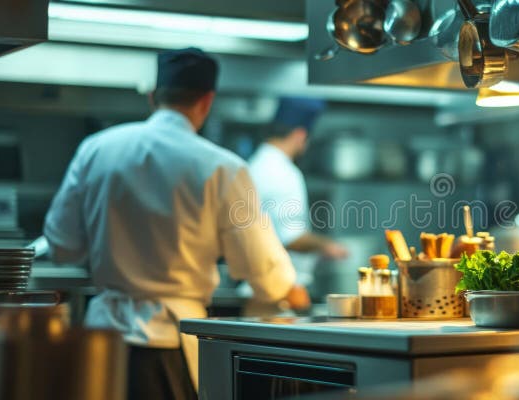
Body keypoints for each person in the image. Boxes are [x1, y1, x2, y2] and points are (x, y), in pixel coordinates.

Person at [43, 47, 307, 400]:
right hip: (169, 341)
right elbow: (260, 264)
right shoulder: (223, 168)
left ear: (153, 96)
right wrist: (289, 290)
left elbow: (61, 245)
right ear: (207, 101)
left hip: (101, 341)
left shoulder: (96, 149)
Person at [241, 98, 348, 305]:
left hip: (258, 289)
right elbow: (293, 238)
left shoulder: (254, 165)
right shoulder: (284, 173)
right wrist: (328, 246)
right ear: (300, 135)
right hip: (281, 294)